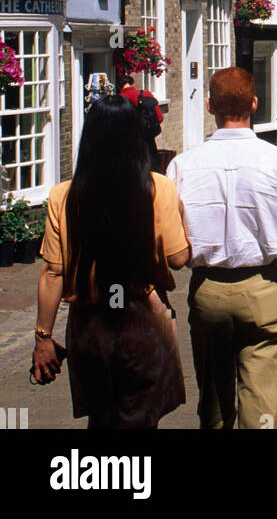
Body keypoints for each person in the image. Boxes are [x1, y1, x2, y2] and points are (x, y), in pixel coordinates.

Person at [168, 67, 277, 429]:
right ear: (254, 103)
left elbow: (172, 243)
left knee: (214, 403)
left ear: (208, 105)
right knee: (260, 407)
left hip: (207, 289)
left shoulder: (183, 165)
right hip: (261, 287)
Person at [32, 95, 190, 428]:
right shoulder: (159, 188)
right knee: (140, 421)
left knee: (102, 419)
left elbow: (52, 273)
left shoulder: (63, 195)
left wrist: (43, 337)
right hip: (140, 318)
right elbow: (178, 259)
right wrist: (182, 219)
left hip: (90, 324)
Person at [118, 75, 165, 171]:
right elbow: (160, 117)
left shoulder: (119, 99)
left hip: (129, 139)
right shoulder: (145, 93)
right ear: (133, 83)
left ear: (119, 86)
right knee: (152, 165)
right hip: (147, 136)